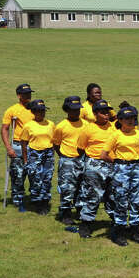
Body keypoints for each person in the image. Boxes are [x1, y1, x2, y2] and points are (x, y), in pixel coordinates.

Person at [102, 105, 139, 245]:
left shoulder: (138, 134)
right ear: (120, 120)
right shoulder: (116, 135)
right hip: (120, 170)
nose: (130, 121)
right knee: (121, 200)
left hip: (135, 168)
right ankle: (119, 232)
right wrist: (118, 162)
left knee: (137, 200)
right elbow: (104, 154)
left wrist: (136, 159)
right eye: (127, 119)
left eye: (133, 118)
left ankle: (134, 231)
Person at [77, 100, 116, 238]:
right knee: (93, 195)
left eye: (108, 112)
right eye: (103, 112)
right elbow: (80, 148)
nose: (106, 115)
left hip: (111, 163)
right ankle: (86, 224)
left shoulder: (113, 128)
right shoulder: (88, 129)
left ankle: (118, 222)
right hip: (95, 165)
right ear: (95, 113)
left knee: (113, 194)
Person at [52, 96, 86, 225]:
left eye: (78, 109)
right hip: (68, 161)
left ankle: (80, 211)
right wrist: (65, 157)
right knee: (67, 188)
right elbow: (56, 144)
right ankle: (66, 213)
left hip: (83, 159)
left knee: (82, 187)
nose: (76, 112)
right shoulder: (61, 126)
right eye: (73, 110)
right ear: (66, 110)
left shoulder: (86, 124)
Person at [2, 83, 35, 211]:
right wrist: (8, 147)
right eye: (25, 94)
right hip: (18, 145)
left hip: (34, 145)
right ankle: (18, 199)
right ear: (19, 95)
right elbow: (4, 129)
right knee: (18, 174)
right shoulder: (12, 110)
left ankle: (35, 198)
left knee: (33, 173)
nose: (28, 96)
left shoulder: (36, 108)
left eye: (30, 93)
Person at [20, 99, 55, 215]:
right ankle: (37, 201)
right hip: (34, 154)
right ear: (34, 112)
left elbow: (54, 140)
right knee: (36, 178)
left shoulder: (50, 124)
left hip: (48, 153)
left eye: (43, 111)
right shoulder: (28, 126)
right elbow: (24, 143)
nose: (42, 113)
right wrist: (26, 160)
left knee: (47, 177)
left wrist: (52, 153)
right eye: (39, 111)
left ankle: (45, 201)